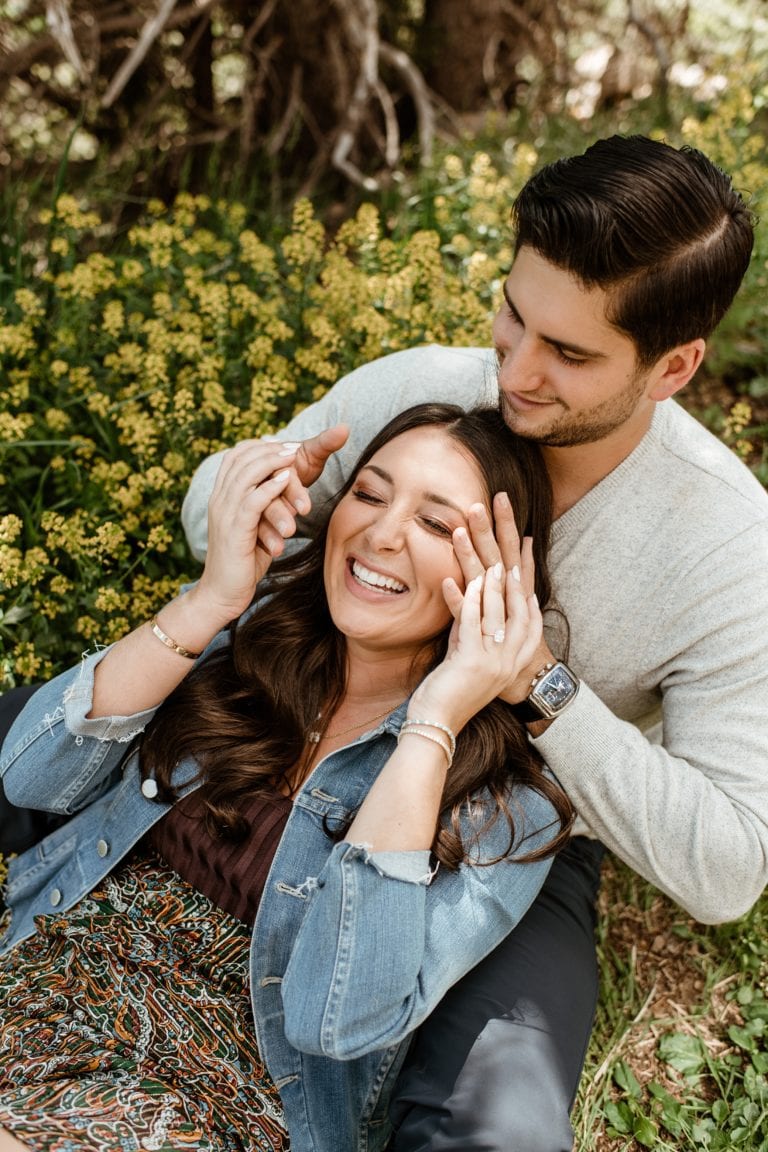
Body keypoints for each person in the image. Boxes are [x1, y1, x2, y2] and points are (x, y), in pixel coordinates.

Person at [178, 134, 768, 1151]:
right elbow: (224, 508)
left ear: (673, 367)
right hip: (292, 722)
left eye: (570, 354)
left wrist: (537, 679)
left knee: (497, 1124)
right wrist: (243, 508)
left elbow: (724, 869)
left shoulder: (726, 548)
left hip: (504, 826)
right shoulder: (419, 391)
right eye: (513, 312)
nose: (515, 371)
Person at [0, 404, 573, 1152]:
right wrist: (213, 600)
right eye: (369, 494)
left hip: (229, 1088)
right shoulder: (251, 643)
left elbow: (334, 1019)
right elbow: (30, 778)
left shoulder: (505, 810)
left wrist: (433, 718)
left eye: (437, 526)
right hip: (49, 981)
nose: (381, 533)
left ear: (500, 584)